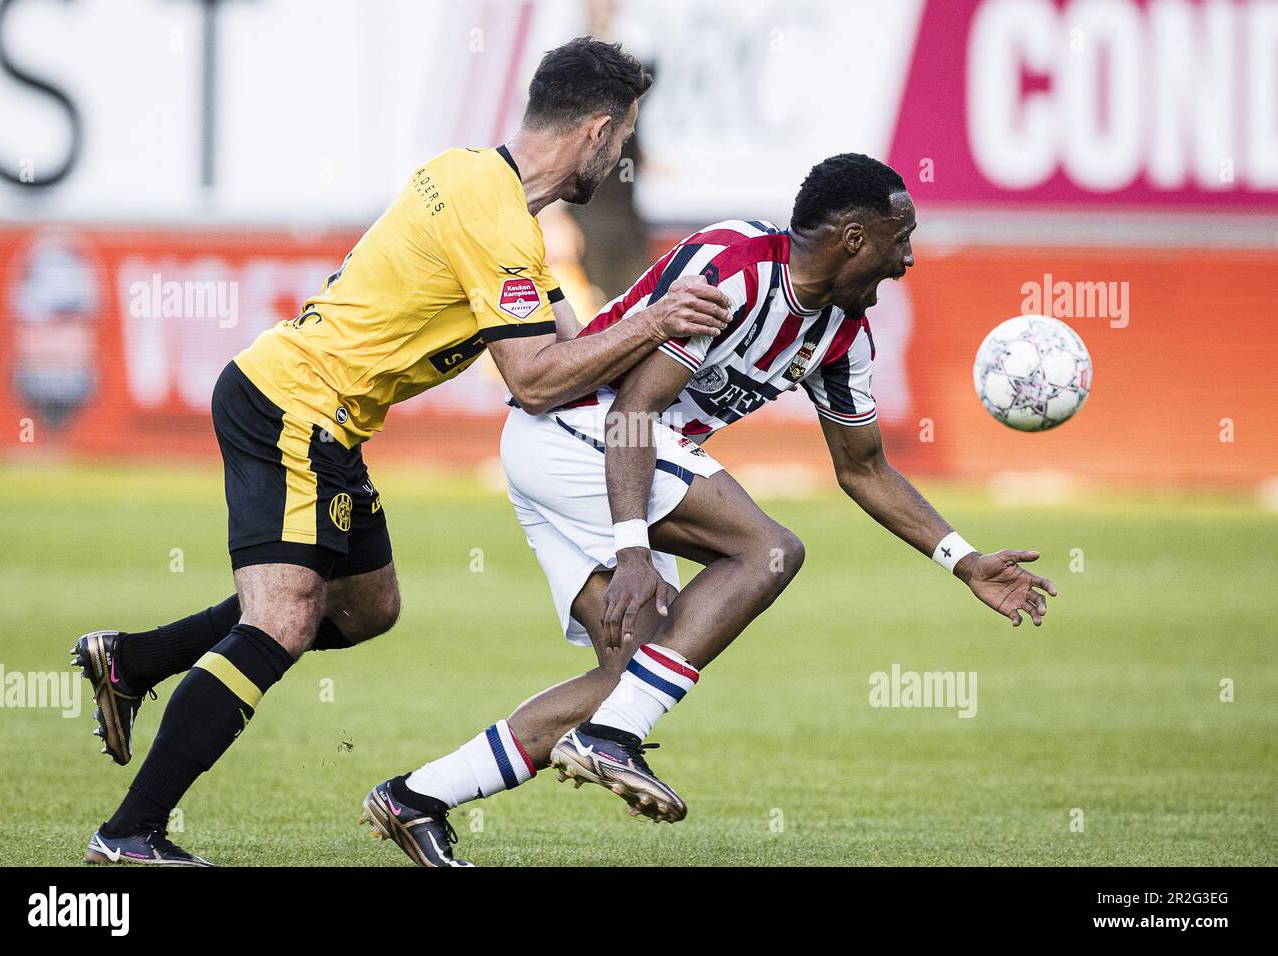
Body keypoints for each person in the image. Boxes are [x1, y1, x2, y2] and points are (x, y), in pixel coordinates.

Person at [74, 37, 732, 867]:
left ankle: (132, 661)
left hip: (325, 418)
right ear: (598, 132)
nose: (623, 152)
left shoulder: (484, 190)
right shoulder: (493, 215)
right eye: (625, 134)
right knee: (281, 616)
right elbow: (534, 382)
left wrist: (663, 343)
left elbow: (575, 349)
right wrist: (654, 324)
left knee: (364, 608)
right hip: (294, 406)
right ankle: (129, 833)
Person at [365, 153, 1057, 865]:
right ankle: (610, 740)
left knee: (629, 675)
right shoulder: (738, 269)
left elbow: (865, 469)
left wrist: (964, 559)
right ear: (854, 238)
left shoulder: (843, 337)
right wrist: (633, 549)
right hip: (582, 429)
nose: (908, 257)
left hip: (586, 458)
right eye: (899, 238)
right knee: (770, 549)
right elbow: (634, 406)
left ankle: (415, 798)